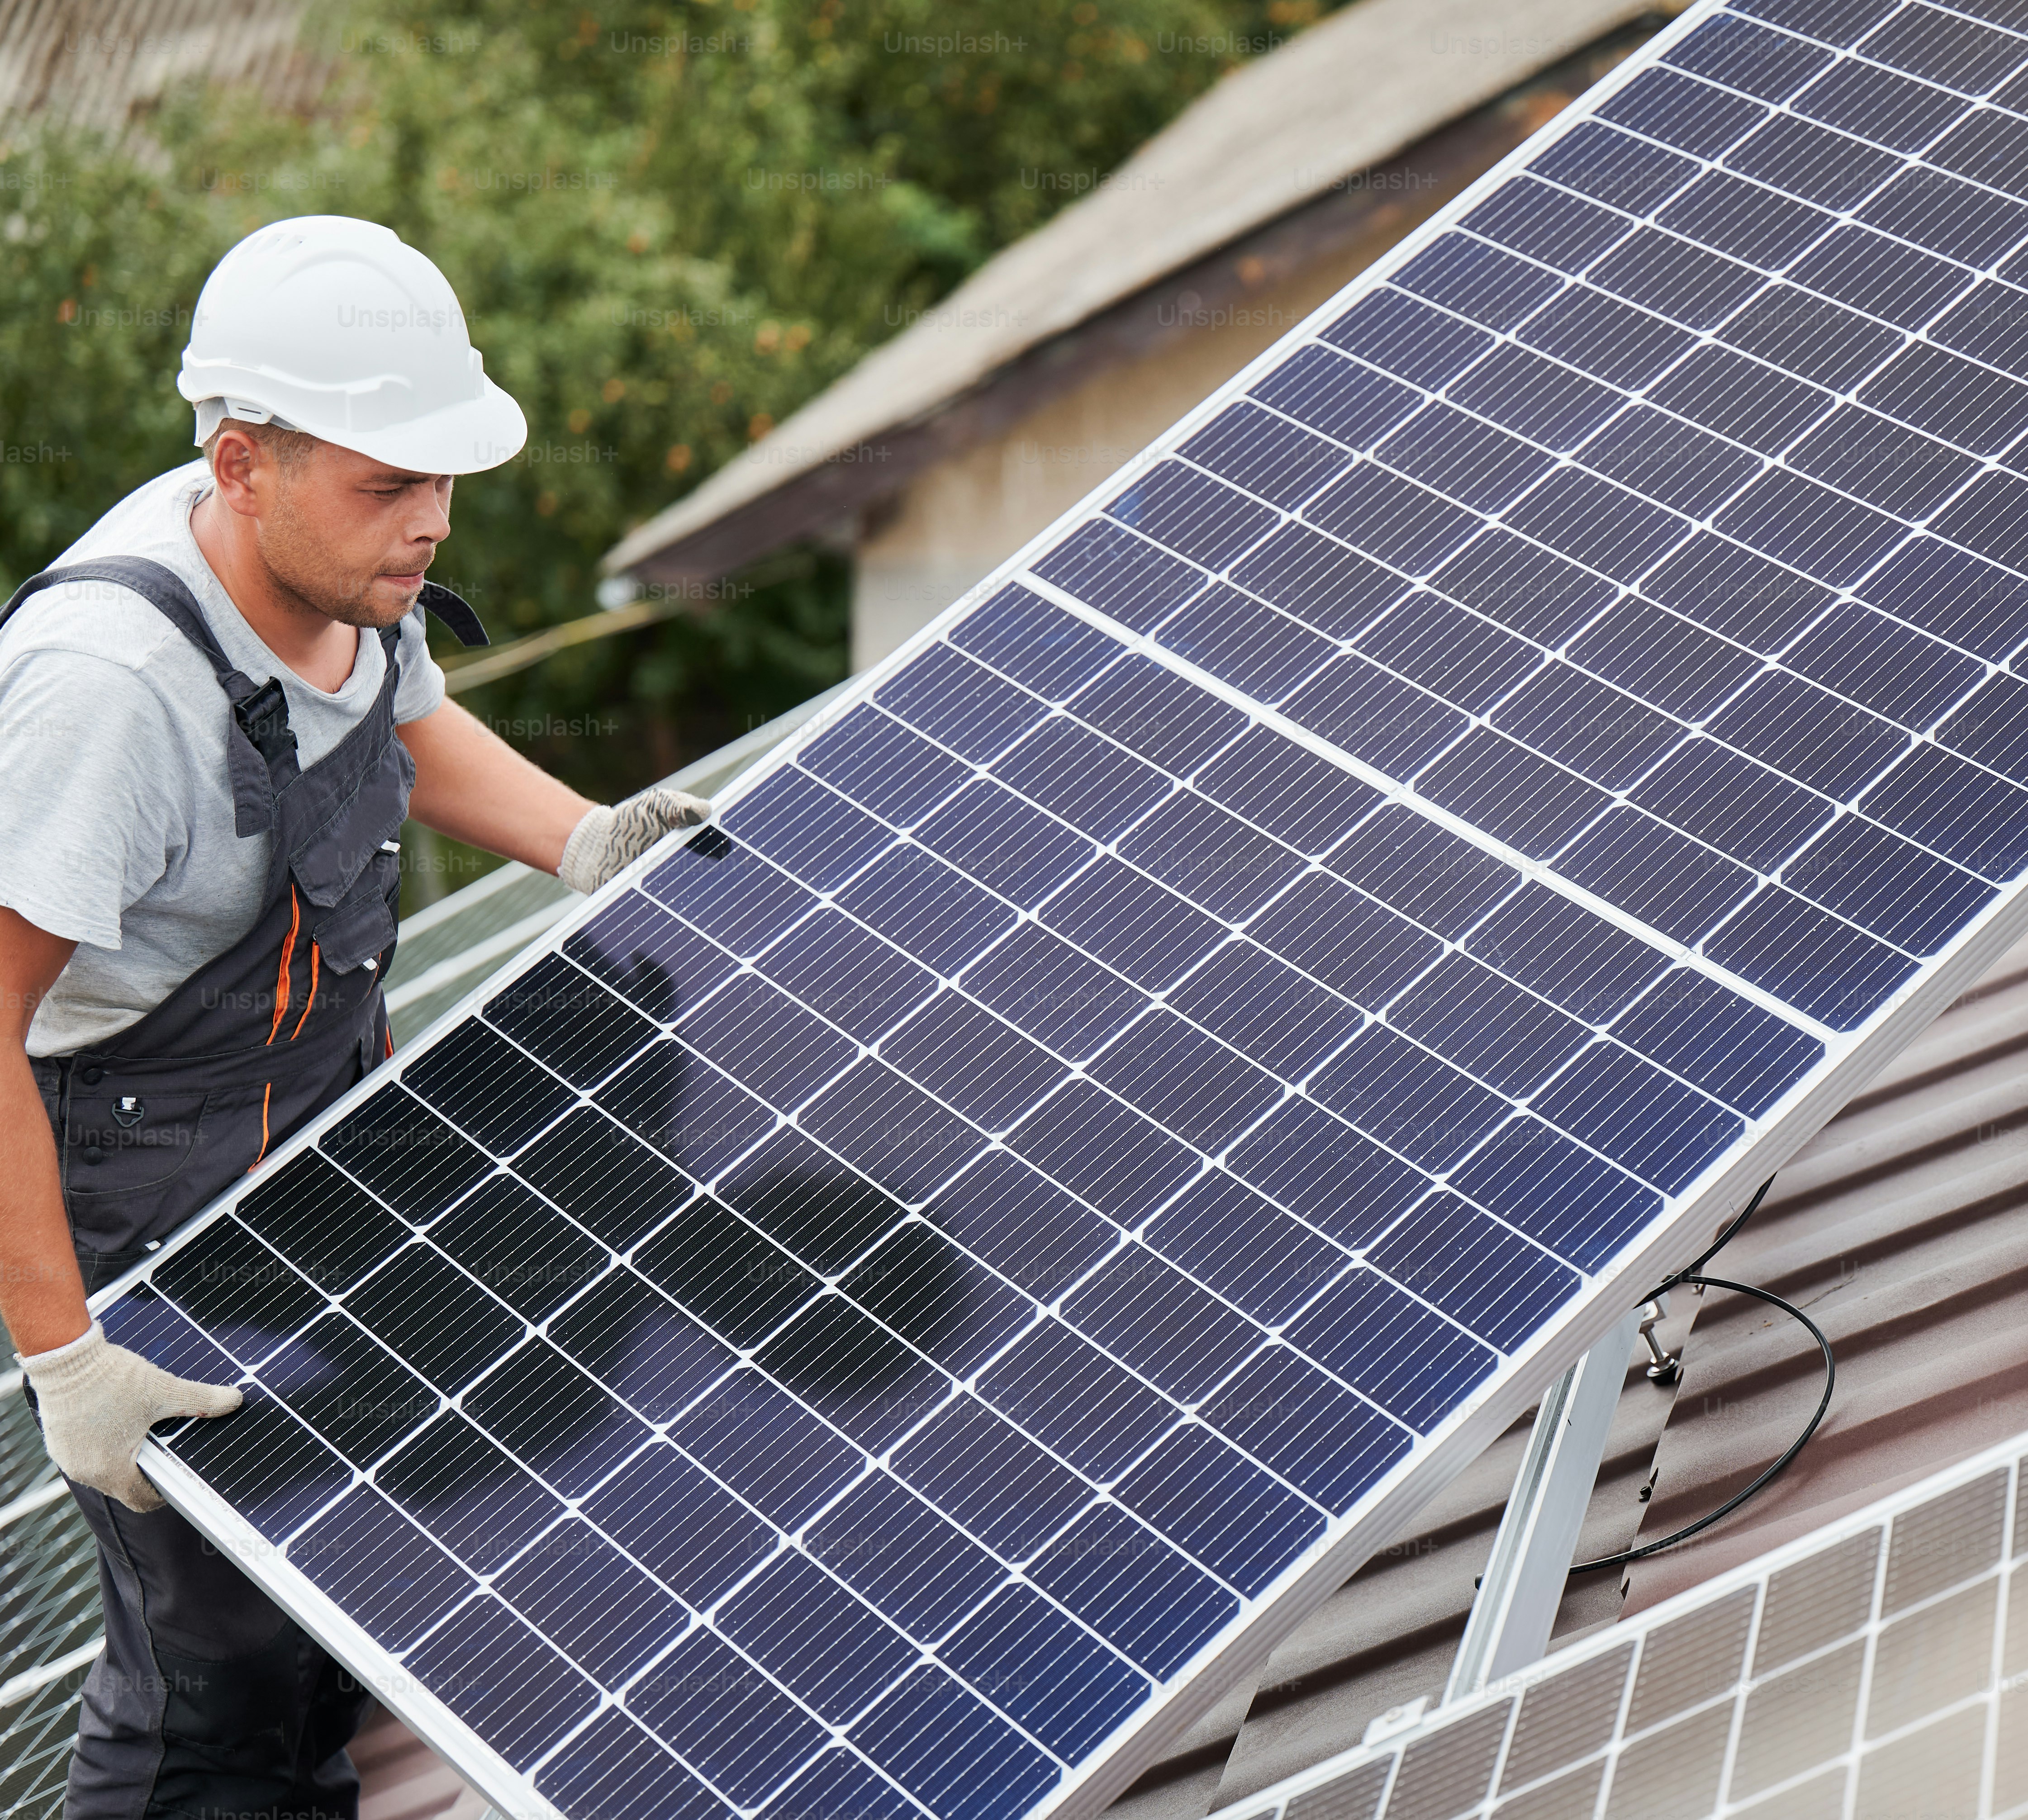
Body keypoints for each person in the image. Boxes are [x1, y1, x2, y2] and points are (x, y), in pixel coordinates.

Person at [0, 215, 705, 1820]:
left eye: (439, 477)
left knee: (339, 1606)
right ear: (241, 465)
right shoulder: (110, 690)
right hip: (145, 1207)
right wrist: (68, 1359)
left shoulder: (341, 567)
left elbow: (405, 729)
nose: (431, 523)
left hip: (325, 1143)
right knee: (217, 1688)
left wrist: (584, 836)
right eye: (388, 483)